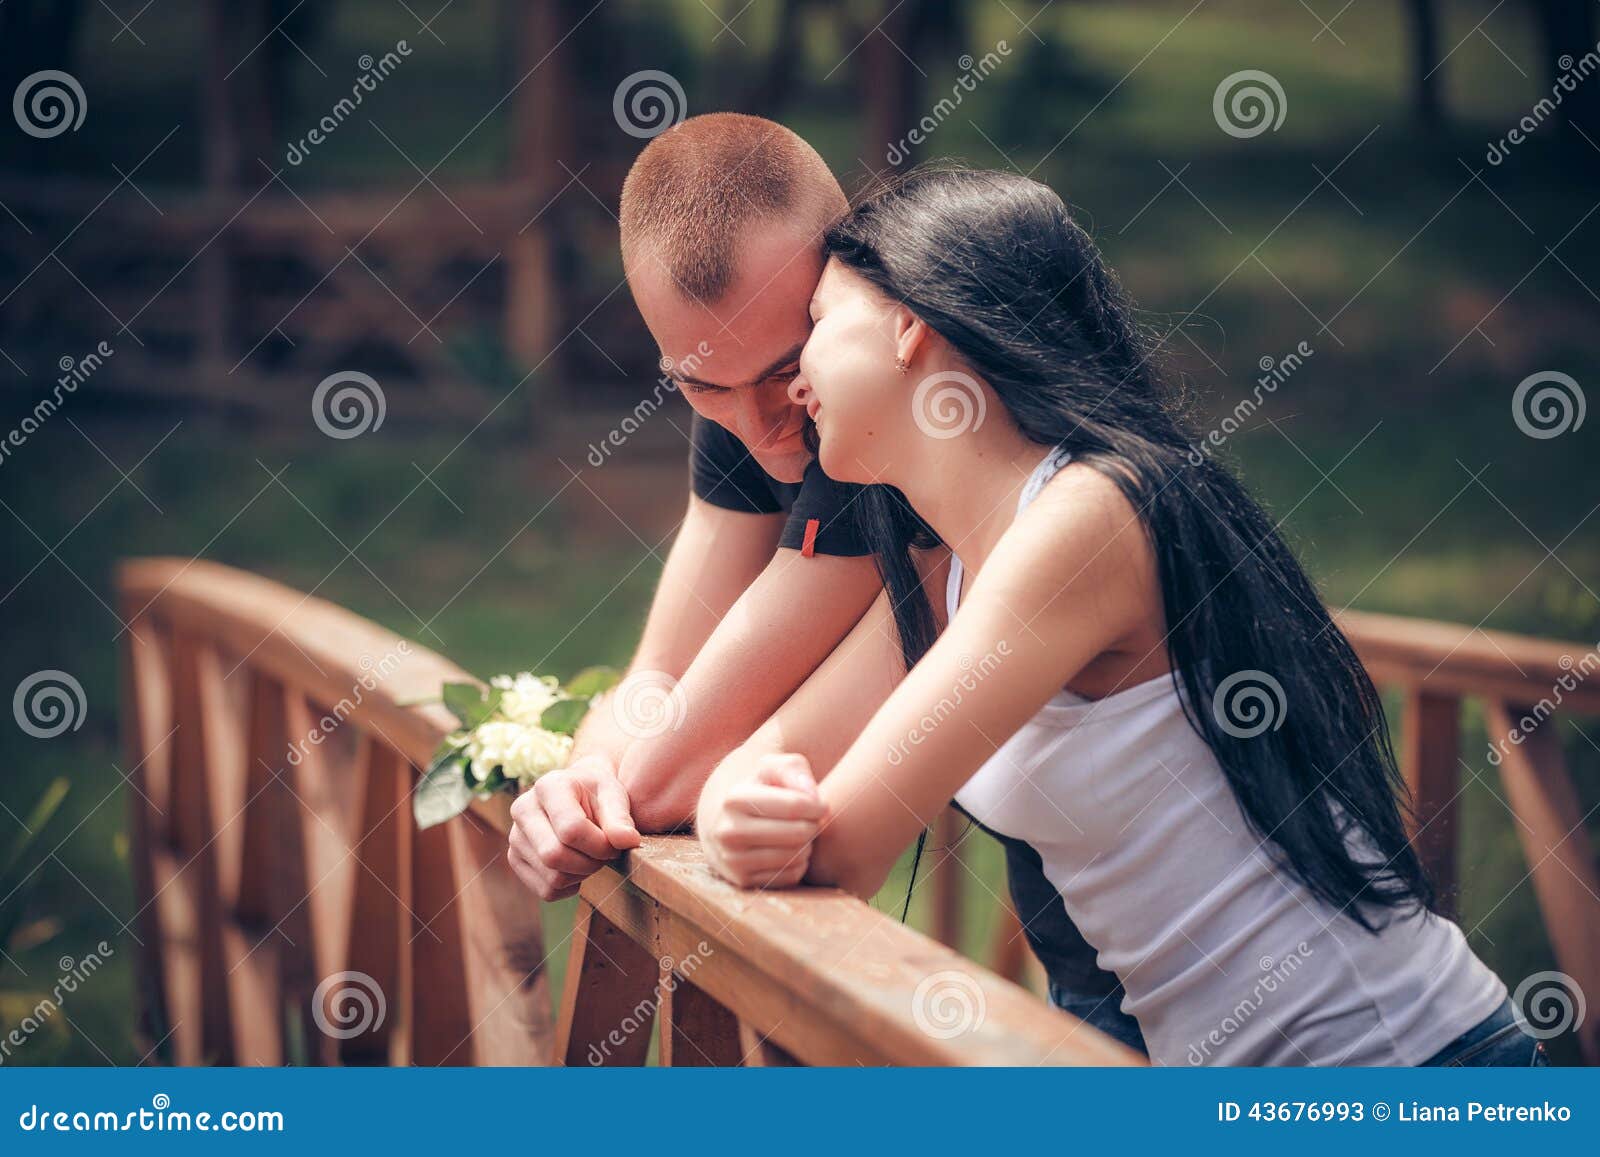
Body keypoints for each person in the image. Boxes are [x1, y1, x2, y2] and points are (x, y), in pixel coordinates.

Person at [695, 166, 1542, 1067]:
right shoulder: (945, 578)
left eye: (820, 324)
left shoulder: (1085, 522)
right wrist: (724, 808)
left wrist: (765, 820)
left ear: (910, 325)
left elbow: (840, 848)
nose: (793, 386)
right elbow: (763, 759)